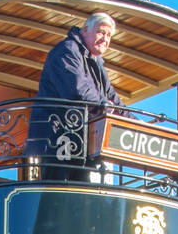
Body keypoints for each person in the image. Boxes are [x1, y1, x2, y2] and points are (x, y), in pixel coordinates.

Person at [28, 12, 126, 183]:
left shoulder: (97, 63)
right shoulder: (67, 50)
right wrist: (104, 104)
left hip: (82, 141)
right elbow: (76, 89)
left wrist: (136, 122)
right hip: (57, 138)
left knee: (80, 192)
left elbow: (112, 98)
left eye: (109, 35)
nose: (105, 39)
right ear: (85, 30)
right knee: (58, 191)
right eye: (101, 32)